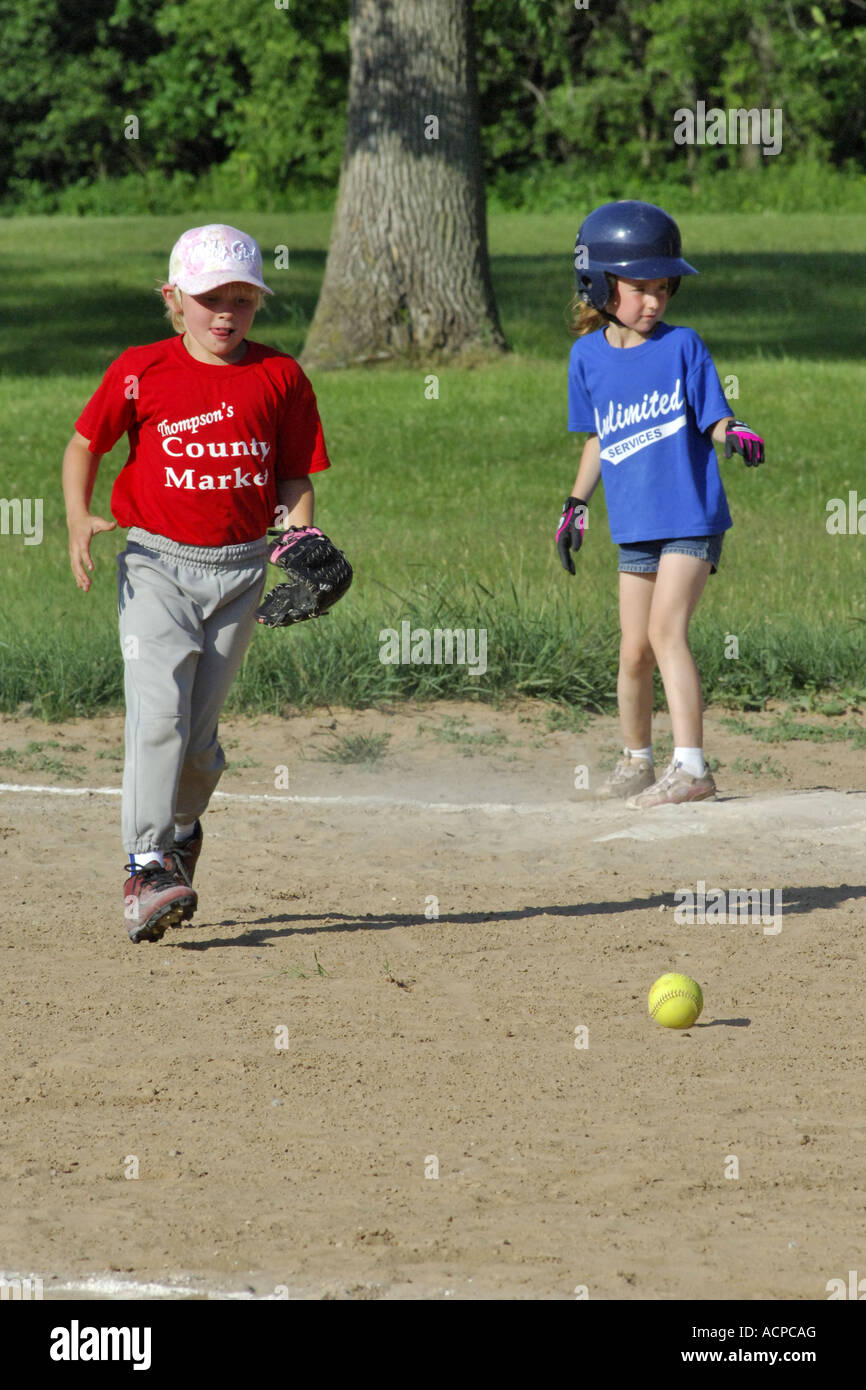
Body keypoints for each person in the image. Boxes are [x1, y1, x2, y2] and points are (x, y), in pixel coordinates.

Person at [62, 224, 331, 940]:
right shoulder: (140, 370)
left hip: (240, 572)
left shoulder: (279, 377)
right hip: (154, 563)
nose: (226, 313)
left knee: (200, 745)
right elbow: (86, 442)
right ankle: (146, 864)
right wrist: (77, 518)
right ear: (173, 299)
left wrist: (299, 541)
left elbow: (293, 474)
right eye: (210, 297)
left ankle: (182, 831)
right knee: (158, 715)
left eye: (242, 299)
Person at [556, 201, 764, 808]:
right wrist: (575, 503)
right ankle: (637, 761)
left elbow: (715, 419)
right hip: (636, 522)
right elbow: (598, 437)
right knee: (634, 648)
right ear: (598, 284)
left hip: (691, 516)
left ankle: (692, 767)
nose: (654, 301)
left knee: (666, 631)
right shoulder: (586, 358)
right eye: (640, 287)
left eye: (663, 288)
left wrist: (737, 433)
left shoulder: (684, 348)